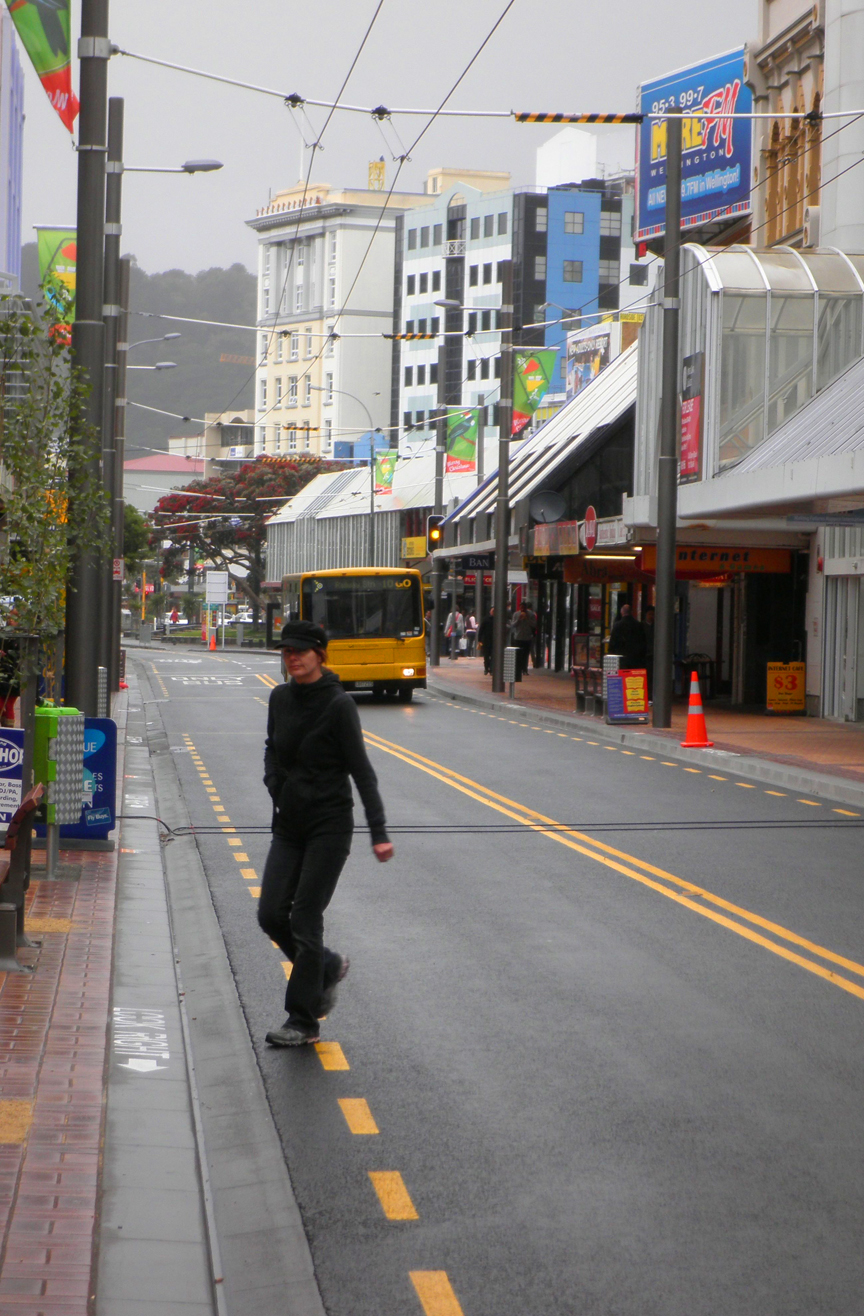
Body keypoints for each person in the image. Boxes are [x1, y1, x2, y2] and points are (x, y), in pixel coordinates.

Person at [259, 620, 393, 1047]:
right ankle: (327, 966)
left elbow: (362, 771)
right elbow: (271, 749)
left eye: (300, 650)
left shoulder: (339, 706)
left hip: (329, 826)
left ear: (320, 654)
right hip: (289, 823)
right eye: (286, 651)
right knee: (270, 914)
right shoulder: (280, 698)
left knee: (303, 918)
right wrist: (275, 785)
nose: (292, 657)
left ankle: (303, 1020)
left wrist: (379, 832)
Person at [608, 603, 647, 671]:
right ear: (631, 612)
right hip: (635, 659)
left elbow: (613, 642)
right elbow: (643, 641)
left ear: (622, 612)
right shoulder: (638, 625)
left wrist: (611, 652)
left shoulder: (617, 625)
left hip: (621, 658)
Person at [511, 603, 537, 677]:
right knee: (518, 655)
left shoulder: (531, 615)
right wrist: (519, 619)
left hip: (527, 638)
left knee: (525, 655)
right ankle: (518, 670)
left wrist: (527, 619)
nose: (522, 609)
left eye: (524, 608)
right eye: (521, 608)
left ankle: (525, 669)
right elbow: (513, 625)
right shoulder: (516, 614)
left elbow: (534, 624)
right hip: (518, 637)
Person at [642, 606, 655, 698]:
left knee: (653, 676)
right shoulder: (641, 626)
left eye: (653, 614)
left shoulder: (657, 626)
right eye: (649, 614)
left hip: (654, 655)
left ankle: (651, 694)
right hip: (645, 655)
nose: (651, 616)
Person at [477, 608, 494, 675]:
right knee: (486, 655)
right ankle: (486, 668)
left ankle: (492, 669)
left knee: (493, 655)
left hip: (493, 641)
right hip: (486, 640)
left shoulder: (497, 619)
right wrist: (479, 639)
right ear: (490, 611)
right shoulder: (486, 619)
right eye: (492, 611)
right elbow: (481, 629)